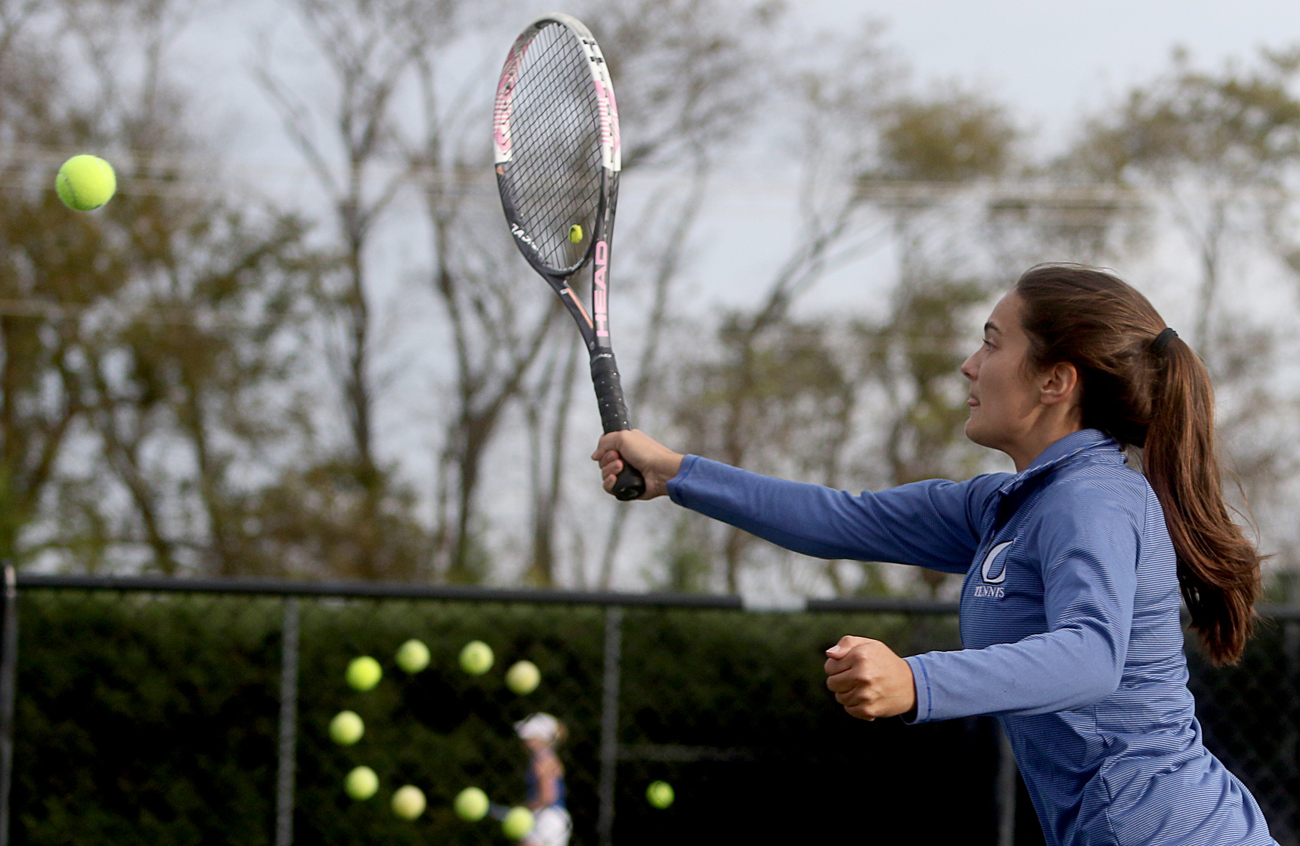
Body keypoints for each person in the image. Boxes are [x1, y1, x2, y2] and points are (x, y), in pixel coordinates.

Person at [591, 263, 1277, 846]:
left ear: (1054, 382)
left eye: (991, 344)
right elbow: (840, 519)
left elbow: (1090, 656)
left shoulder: (1093, 500)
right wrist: (677, 473)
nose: (969, 365)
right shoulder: (1012, 506)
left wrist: (914, 683)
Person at [513, 712, 572, 846]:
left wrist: (524, 808)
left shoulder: (542, 760)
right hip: (552, 818)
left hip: (546, 818)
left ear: (539, 738)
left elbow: (548, 797)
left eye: (528, 737)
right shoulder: (549, 758)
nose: (524, 742)